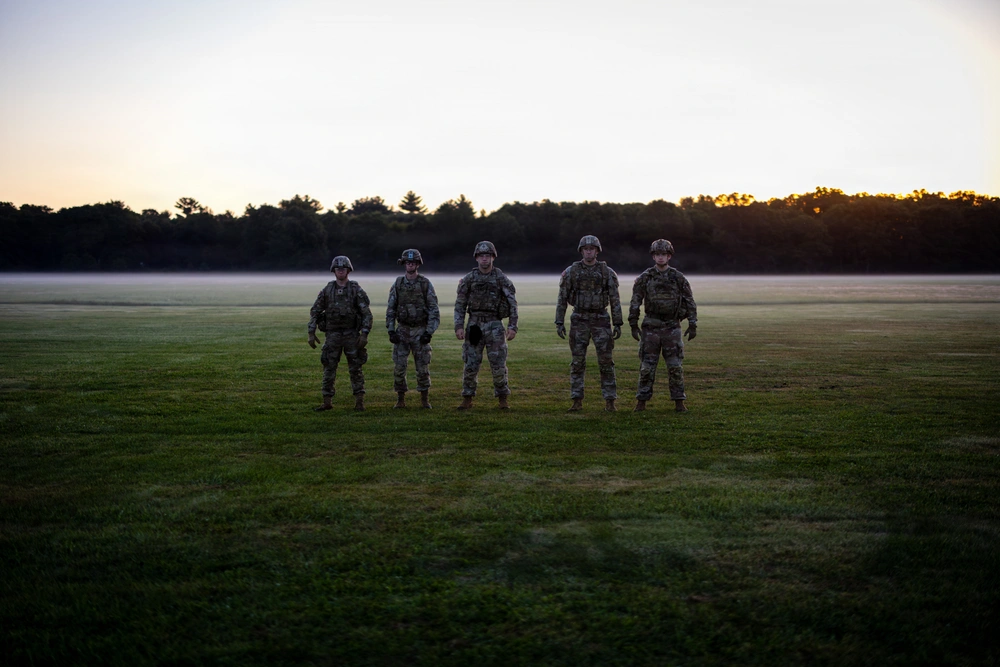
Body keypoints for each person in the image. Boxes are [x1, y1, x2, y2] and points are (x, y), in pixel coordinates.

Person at [554, 235, 624, 412]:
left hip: (601, 319)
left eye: (592, 249)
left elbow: (615, 299)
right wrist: (559, 321)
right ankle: (576, 400)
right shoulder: (572, 271)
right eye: (585, 249)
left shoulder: (607, 272)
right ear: (581, 251)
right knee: (577, 362)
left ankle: (610, 401)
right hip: (579, 319)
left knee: (606, 362)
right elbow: (562, 297)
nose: (588, 251)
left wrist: (618, 322)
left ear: (597, 251)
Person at [628, 239, 698, 412]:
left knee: (675, 366)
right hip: (651, 326)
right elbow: (635, 301)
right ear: (653, 256)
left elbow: (690, 301)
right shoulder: (645, 277)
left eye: (664, 254)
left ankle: (679, 402)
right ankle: (641, 402)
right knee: (646, 367)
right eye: (657, 254)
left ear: (669, 256)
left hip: (672, 327)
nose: (660, 257)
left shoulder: (678, 277)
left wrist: (692, 323)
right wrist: (633, 323)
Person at [454, 241, 518, 410]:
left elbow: (512, 303)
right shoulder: (469, 279)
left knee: (498, 364)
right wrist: (458, 326)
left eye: (487, 256)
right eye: (481, 256)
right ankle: (467, 398)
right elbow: (460, 304)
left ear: (493, 257)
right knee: (470, 363)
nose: (484, 259)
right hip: (474, 323)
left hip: (495, 324)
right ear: (476, 258)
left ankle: (502, 399)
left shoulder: (500, 278)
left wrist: (513, 326)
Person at [307, 255, 373, 411]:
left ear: (348, 270)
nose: (341, 271)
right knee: (329, 368)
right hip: (333, 335)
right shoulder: (327, 290)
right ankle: (327, 401)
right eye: (338, 269)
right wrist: (311, 331)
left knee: (355, 368)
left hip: (351, 334)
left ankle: (359, 401)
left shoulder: (356, 290)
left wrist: (364, 334)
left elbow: (366, 314)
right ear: (334, 271)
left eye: (343, 269)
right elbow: (315, 311)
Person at [386, 248, 440, 409]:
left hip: (420, 330)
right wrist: (391, 329)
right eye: (408, 262)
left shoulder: (425, 284)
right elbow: (391, 308)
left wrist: (429, 332)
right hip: (402, 330)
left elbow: (433, 310)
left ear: (418, 264)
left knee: (422, 368)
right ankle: (400, 399)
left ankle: (424, 399)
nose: (410, 265)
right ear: (404, 264)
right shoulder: (398, 284)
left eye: (413, 262)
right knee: (399, 367)